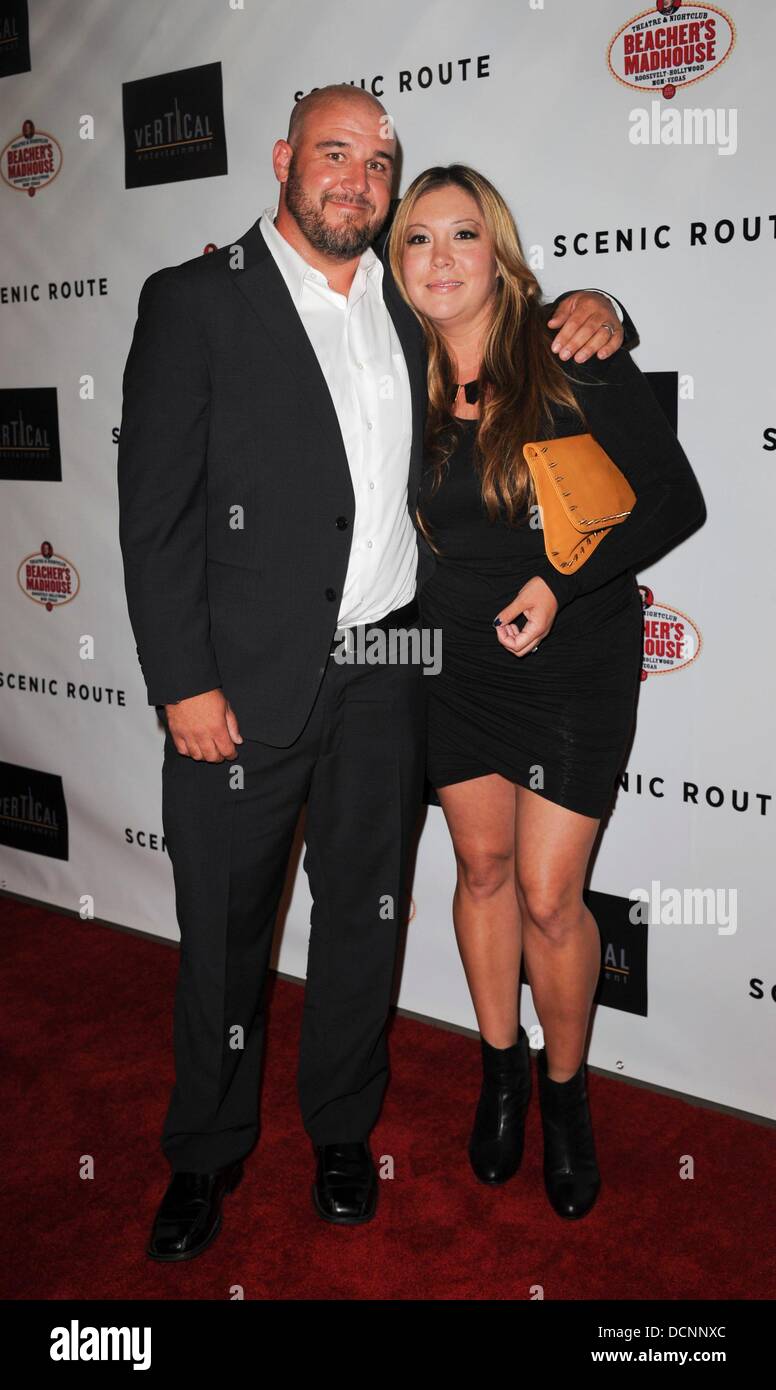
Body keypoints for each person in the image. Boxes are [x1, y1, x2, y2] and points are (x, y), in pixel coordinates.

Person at [117, 84, 634, 1259]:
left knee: (365, 918)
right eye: (333, 153)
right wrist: (179, 682)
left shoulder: (414, 306)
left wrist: (600, 305)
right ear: (283, 159)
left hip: (390, 667)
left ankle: (340, 1130)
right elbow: (152, 517)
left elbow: (510, 324)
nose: (354, 178)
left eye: (376, 162)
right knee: (225, 934)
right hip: (235, 687)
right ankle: (204, 1149)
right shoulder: (194, 301)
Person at [387, 164, 706, 1219]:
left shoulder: (565, 356)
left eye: (462, 235)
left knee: (544, 895)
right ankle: (501, 1070)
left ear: (498, 253)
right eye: (416, 239)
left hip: (571, 662)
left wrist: (557, 585)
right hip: (453, 666)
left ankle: (566, 1097)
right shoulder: (395, 369)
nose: (439, 257)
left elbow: (671, 499)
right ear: (397, 268)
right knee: (479, 872)